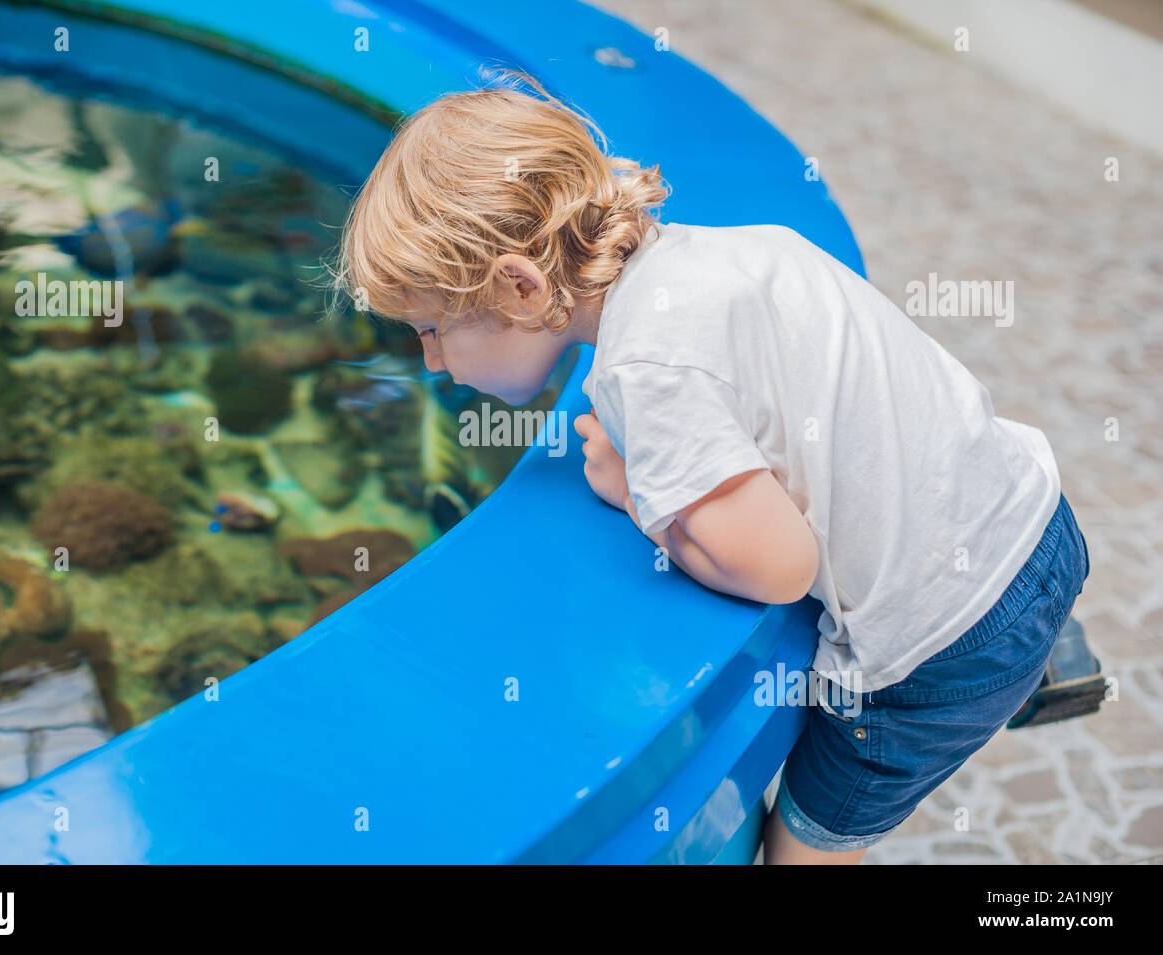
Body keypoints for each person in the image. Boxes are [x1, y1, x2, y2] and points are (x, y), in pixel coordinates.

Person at [326, 66, 1091, 864]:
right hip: (1031, 516)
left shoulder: (644, 370)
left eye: (431, 330)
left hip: (941, 643)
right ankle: (1038, 655)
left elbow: (782, 567)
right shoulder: (715, 253)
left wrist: (639, 494)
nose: (431, 364)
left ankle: (1007, 674)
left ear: (519, 287)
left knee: (800, 847)